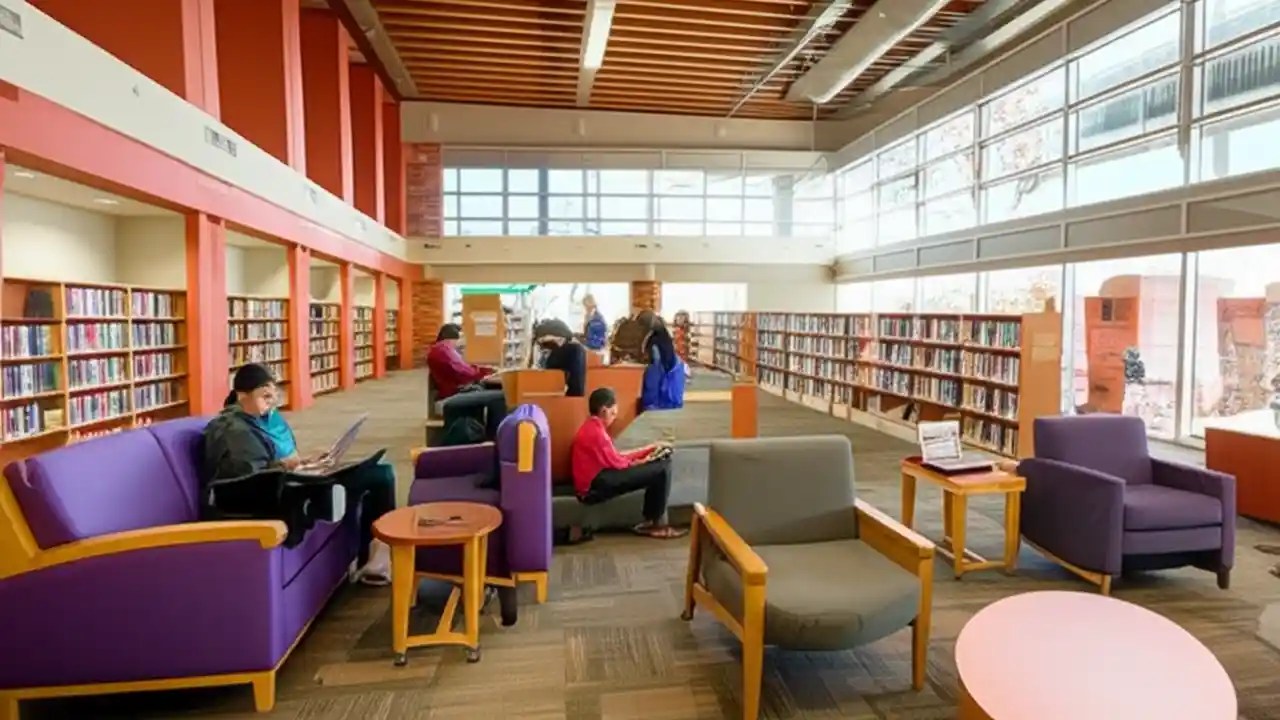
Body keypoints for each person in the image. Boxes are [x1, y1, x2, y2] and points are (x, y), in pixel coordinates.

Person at [202, 363, 395, 585]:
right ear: (242, 395)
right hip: (274, 495)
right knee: (379, 475)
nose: (271, 398)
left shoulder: (259, 420)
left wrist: (304, 462)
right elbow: (249, 478)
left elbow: (270, 462)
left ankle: (375, 556)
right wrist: (291, 467)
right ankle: (377, 558)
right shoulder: (232, 429)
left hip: (290, 482)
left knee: (380, 470)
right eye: (264, 392)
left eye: (273, 391)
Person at [571, 387, 686, 539]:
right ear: (604, 411)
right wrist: (646, 460)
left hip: (596, 481)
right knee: (662, 469)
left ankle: (652, 521)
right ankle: (654, 524)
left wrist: (649, 450)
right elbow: (620, 463)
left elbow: (617, 457)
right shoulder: (597, 434)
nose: (614, 418)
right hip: (593, 489)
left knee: (660, 465)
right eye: (613, 413)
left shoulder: (592, 427)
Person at [427, 323, 508, 440]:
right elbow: (464, 372)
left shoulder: (441, 349)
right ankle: (494, 438)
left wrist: (485, 370)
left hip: (457, 390)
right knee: (500, 397)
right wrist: (487, 372)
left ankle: (491, 436)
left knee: (493, 393)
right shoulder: (444, 348)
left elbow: (463, 368)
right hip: (456, 393)